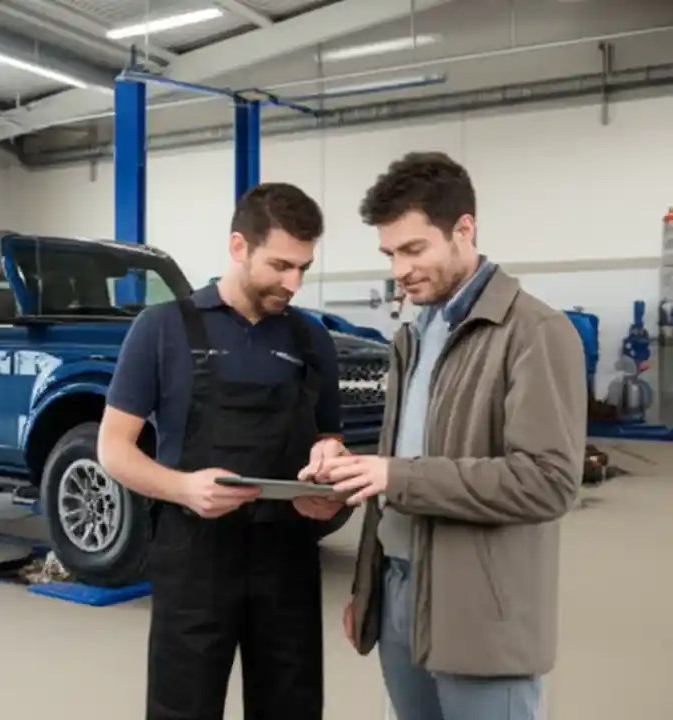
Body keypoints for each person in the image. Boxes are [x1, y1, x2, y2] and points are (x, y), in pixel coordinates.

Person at [315, 152, 586, 720]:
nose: (399, 270)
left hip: (482, 611)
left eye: (414, 249)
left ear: (465, 230)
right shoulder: (414, 336)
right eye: (390, 254)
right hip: (398, 592)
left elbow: (548, 481)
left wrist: (395, 475)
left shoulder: (536, 332)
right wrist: (368, 587)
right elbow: (405, 459)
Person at [98, 182, 351, 720]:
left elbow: (328, 438)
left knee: (292, 707)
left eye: (304, 267)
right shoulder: (162, 329)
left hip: (287, 559)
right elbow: (112, 450)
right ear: (239, 247)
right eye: (281, 265)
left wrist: (328, 480)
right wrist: (184, 488)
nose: (294, 282)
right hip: (194, 558)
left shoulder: (312, 341)